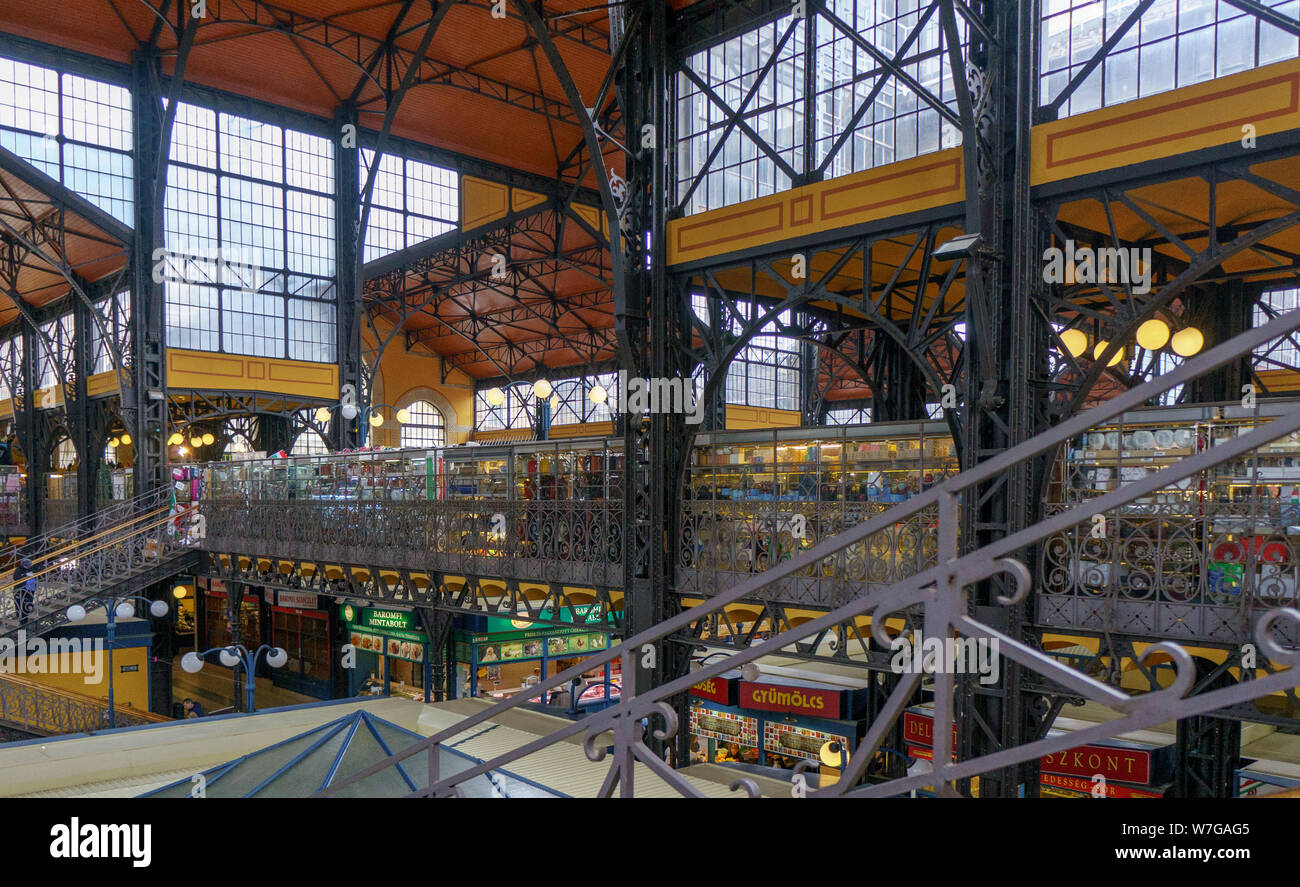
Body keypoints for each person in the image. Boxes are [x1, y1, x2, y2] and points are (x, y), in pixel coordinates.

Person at [11, 557, 35, 627]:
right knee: (19, 604)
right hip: (19, 590)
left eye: (29, 566)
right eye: (26, 566)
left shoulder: (31, 568)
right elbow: (16, 578)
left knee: (28, 603)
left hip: (29, 588)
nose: (27, 567)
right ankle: (21, 619)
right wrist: (25, 575)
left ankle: (26, 618)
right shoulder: (18, 570)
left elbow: (37, 571)